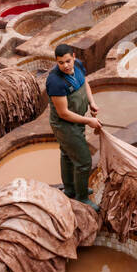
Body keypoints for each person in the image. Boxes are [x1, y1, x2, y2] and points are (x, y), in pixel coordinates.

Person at [46, 43, 101, 209]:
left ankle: (71, 189)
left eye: (68, 61)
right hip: (65, 125)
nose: (65, 65)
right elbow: (63, 113)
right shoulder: (55, 81)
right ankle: (82, 197)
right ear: (56, 62)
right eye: (61, 62)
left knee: (68, 155)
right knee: (84, 161)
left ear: (74, 57)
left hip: (76, 120)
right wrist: (89, 121)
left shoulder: (77, 67)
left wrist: (91, 102)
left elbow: (85, 84)